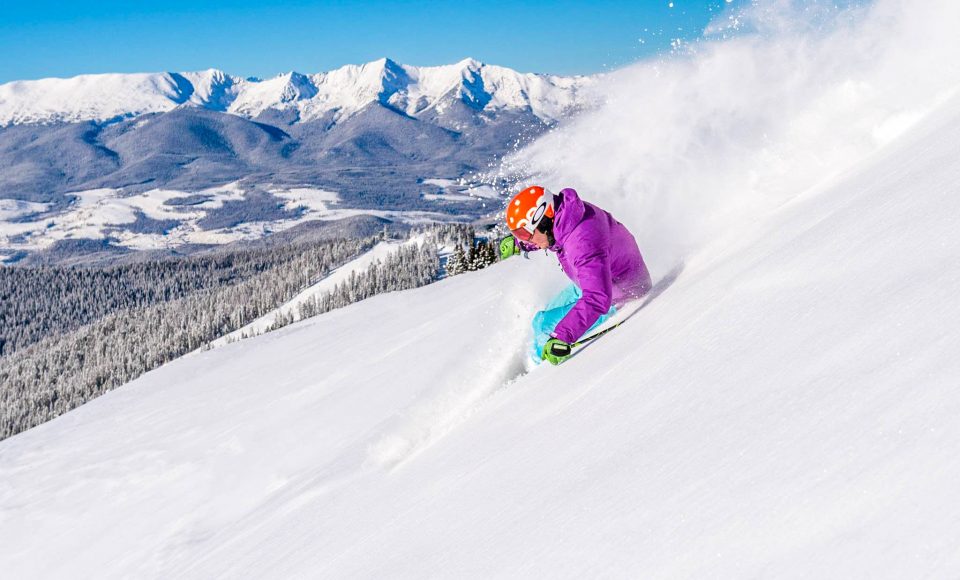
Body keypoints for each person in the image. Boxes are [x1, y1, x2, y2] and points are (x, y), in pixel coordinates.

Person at [500, 185, 652, 365]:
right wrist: (521, 244)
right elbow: (551, 237)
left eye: (525, 234)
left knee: (542, 325)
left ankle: (538, 369)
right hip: (599, 279)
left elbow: (597, 298)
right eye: (519, 234)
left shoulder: (583, 242)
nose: (525, 238)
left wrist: (562, 337)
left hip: (619, 297)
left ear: (544, 219)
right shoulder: (567, 215)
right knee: (550, 307)